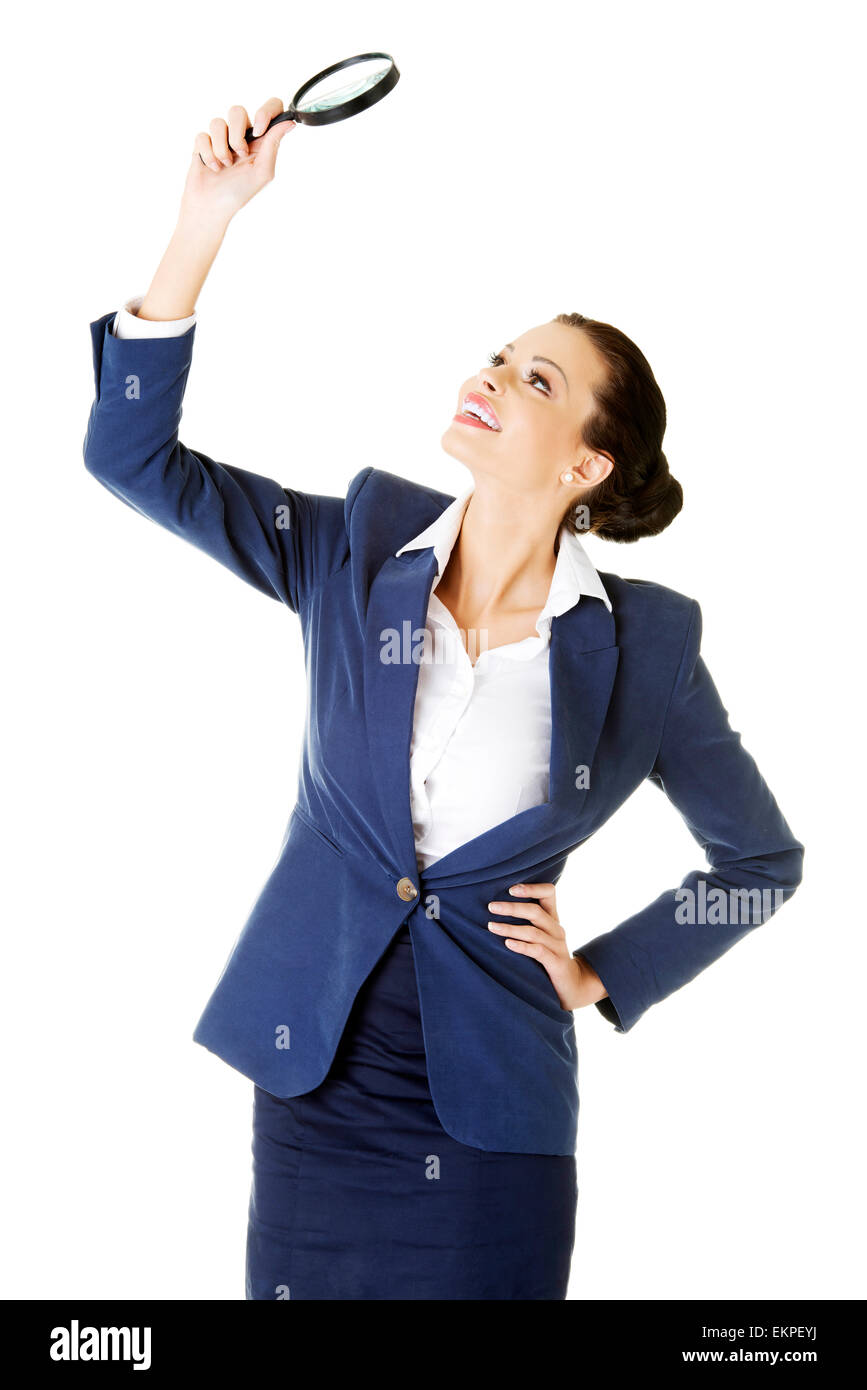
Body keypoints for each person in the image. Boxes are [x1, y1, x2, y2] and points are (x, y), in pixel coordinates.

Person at [83, 97, 805, 1301]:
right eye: (497, 355)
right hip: (315, 1073)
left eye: (534, 378)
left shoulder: (650, 647)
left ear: (584, 466)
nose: (490, 377)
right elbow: (129, 458)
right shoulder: (353, 547)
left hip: (493, 1116)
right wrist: (206, 218)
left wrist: (605, 971)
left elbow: (762, 858)